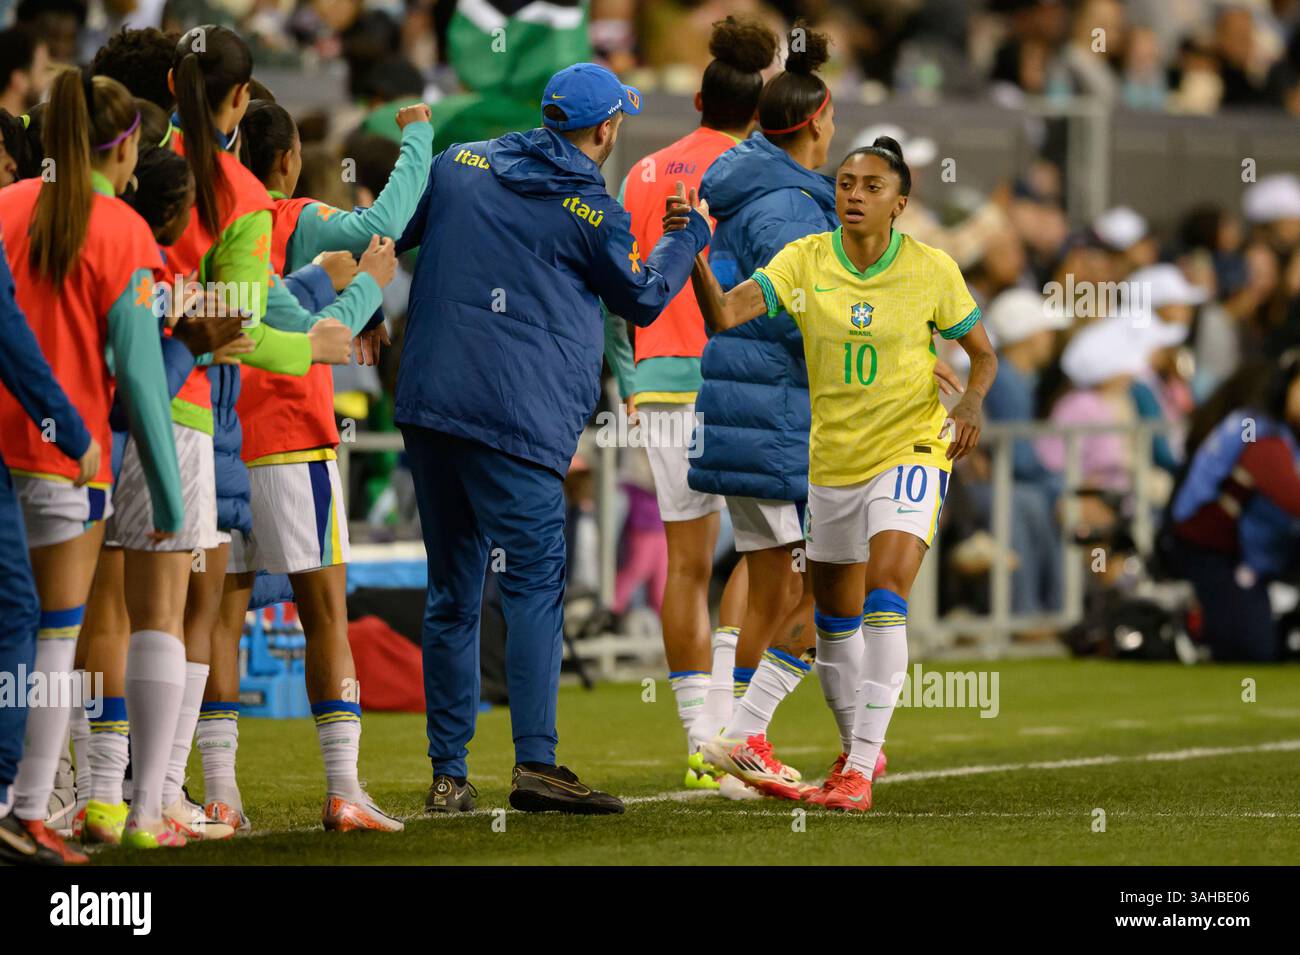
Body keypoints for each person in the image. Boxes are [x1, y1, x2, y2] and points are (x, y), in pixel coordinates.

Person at [394, 62, 712, 814]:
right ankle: (536, 762)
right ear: (605, 129)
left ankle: (449, 774)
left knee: (452, 590)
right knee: (534, 585)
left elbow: (396, 235)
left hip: (432, 404)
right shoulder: (592, 210)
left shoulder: (458, 164)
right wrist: (686, 237)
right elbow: (640, 297)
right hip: (517, 417)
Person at [688, 137, 997, 811]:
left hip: (912, 448)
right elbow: (724, 316)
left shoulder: (931, 268)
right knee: (829, 618)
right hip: (833, 462)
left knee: (885, 592)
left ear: (900, 204)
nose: (854, 193)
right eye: (847, 182)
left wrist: (971, 399)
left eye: (872, 186)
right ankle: (742, 736)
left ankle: (858, 768)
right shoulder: (805, 259)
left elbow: (982, 352)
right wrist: (693, 256)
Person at [197, 95, 427, 833]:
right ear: (289, 161)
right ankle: (343, 788)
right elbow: (385, 219)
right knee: (325, 610)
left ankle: (222, 797)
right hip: (294, 435)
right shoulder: (296, 218)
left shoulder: (210, 219)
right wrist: (419, 136)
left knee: (220, 616)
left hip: (224, 434)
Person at [0, 70, 182, 855]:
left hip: (3, 445)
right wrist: (170, 498)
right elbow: (142, 375)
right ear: (128, 144)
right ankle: (27, 805)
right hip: (69, 460)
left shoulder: (3, 208)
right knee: (51, 637)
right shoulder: (124, 233)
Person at [602, 14, 777, 791]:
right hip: (736, 376)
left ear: (700, 96)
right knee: (772, 553)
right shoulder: (757, 170)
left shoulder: (642, 173)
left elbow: (618, 289)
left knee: (684, 562)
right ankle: (730, 723)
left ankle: (699, 737)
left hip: (661, 379)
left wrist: (629, 381)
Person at [0, 226, 98, 865]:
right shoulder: (112, 226)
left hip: (23, 451)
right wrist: (71, 430)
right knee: (30, 615)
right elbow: (11, 338)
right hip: (70, 454)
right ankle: (26, 799)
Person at [1170, 353, 1300, 662]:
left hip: (1266, 547)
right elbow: (1293, 497)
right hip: (1214, 549)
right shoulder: (1259, 431)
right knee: (1251, 649)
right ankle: (1188, 616)